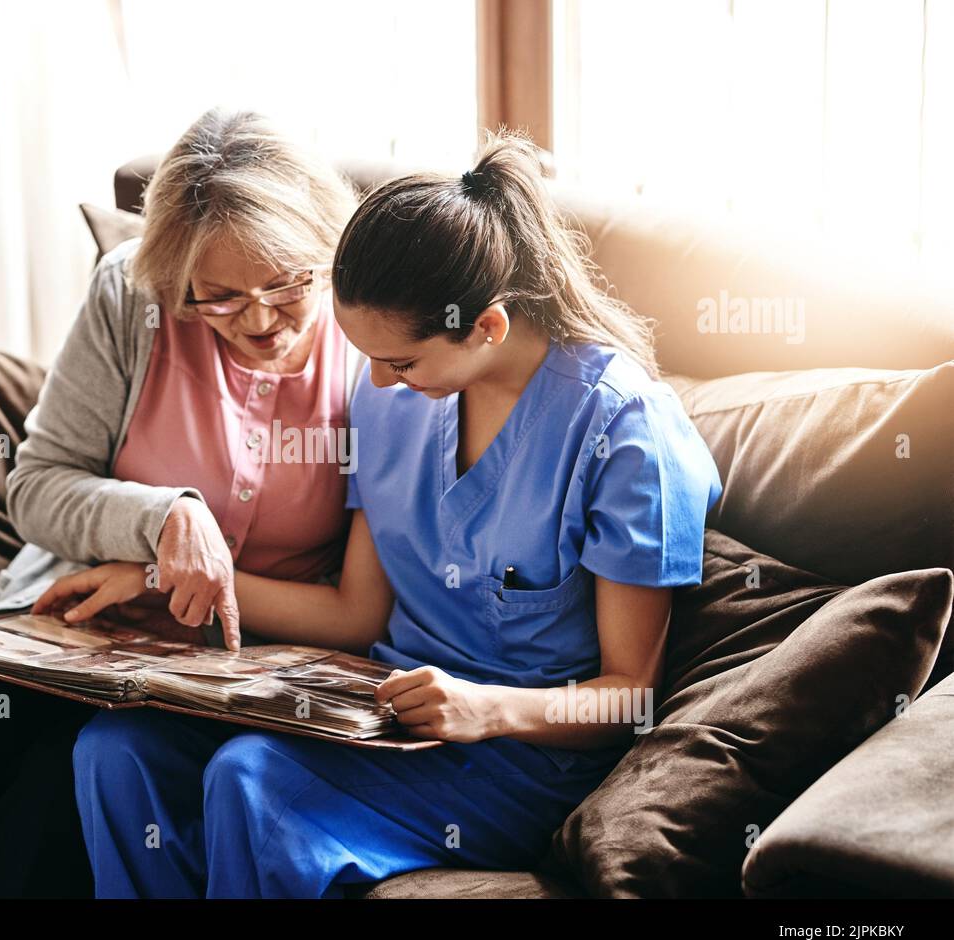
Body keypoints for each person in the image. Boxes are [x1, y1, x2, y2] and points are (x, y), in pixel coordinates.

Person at [46, 132, 724, 898]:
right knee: (118, 748)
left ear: (487, 327)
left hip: (520, 754)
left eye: (400, 361)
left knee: (251, 777)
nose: (372, 381)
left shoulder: (626, 434)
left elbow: (630, 693)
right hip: (375, 710)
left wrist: (484, 707)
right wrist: (154, 575)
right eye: (367, 357)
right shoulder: (388, 396)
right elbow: (354, 611)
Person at [0, 108, 361, 896]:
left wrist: (167, 578)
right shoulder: (133, 298)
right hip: (81, 635)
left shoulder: (374, 337)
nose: (260, 320)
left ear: (326, 250)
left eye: (285, 284)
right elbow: (37, 484)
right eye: (220, 299)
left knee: (43, 814)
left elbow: (365, 603)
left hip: (232, 665)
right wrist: (163, 516)